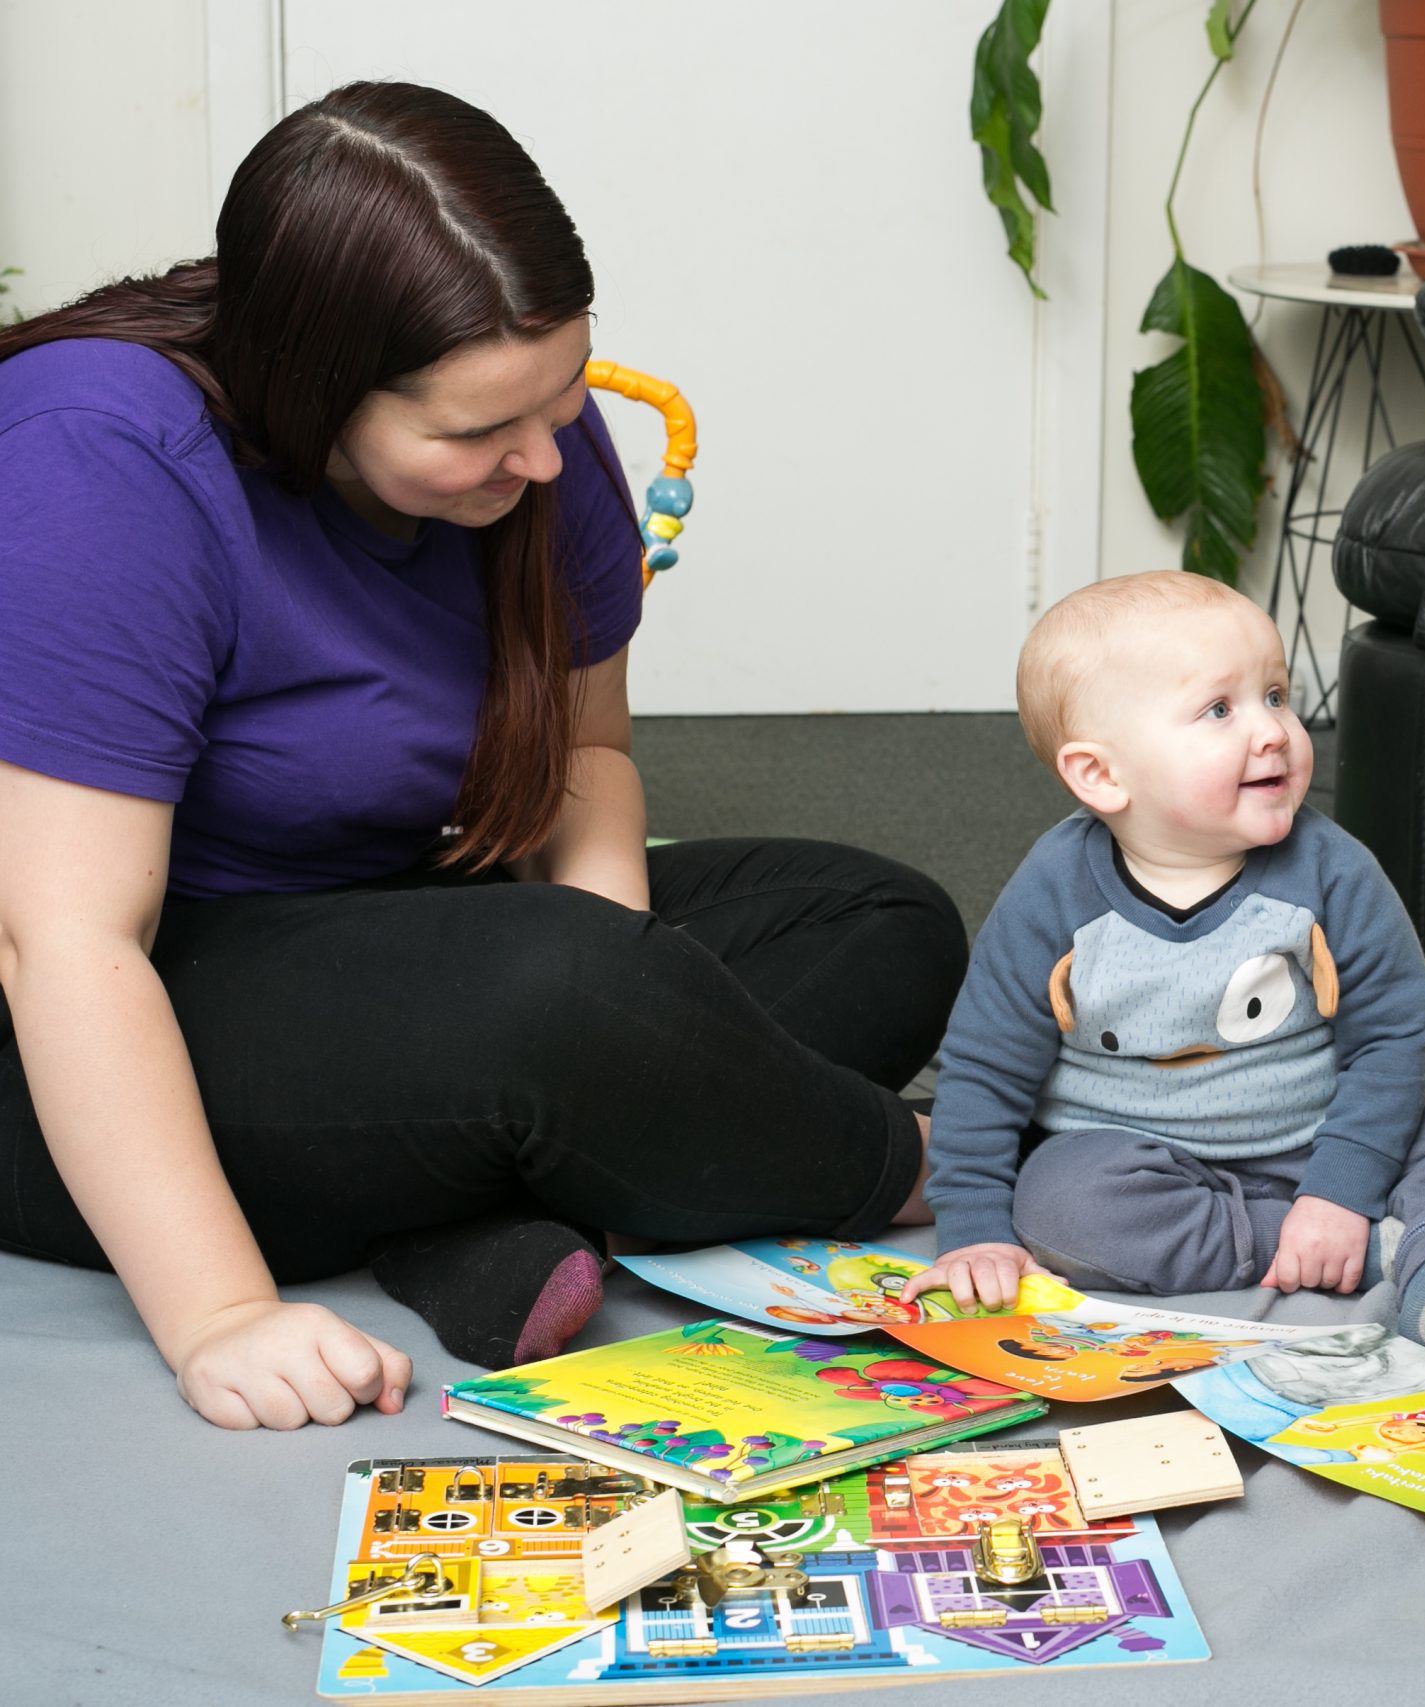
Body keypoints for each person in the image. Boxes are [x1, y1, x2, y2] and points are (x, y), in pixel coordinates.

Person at [0, 83, 965, 1430]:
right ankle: (922, 1163)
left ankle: (466, 1218)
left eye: (563, 395)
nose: (543, 456)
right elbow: (67, 939)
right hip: (103, 1017)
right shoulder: (101, 453)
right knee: (560, 992)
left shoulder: (541, 443)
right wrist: (219, 1314)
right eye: (472, 433)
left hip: (419, 932)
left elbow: (587, 751)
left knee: (878, 922)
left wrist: (633, 1000)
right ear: (314, 391)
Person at [901, 571, 1425, 1351]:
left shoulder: (1331, 869)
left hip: (1326, 1134)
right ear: (1102, 775)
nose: (1273, 731)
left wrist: (1339, 1187)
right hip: (1144, 1165)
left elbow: (1391, 1032)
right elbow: (985, 1071)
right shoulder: (1052, 894)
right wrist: (973, 1230)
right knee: (1057, 1202)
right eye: (1221, 709)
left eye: (1277, 695)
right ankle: (1377, 1248)